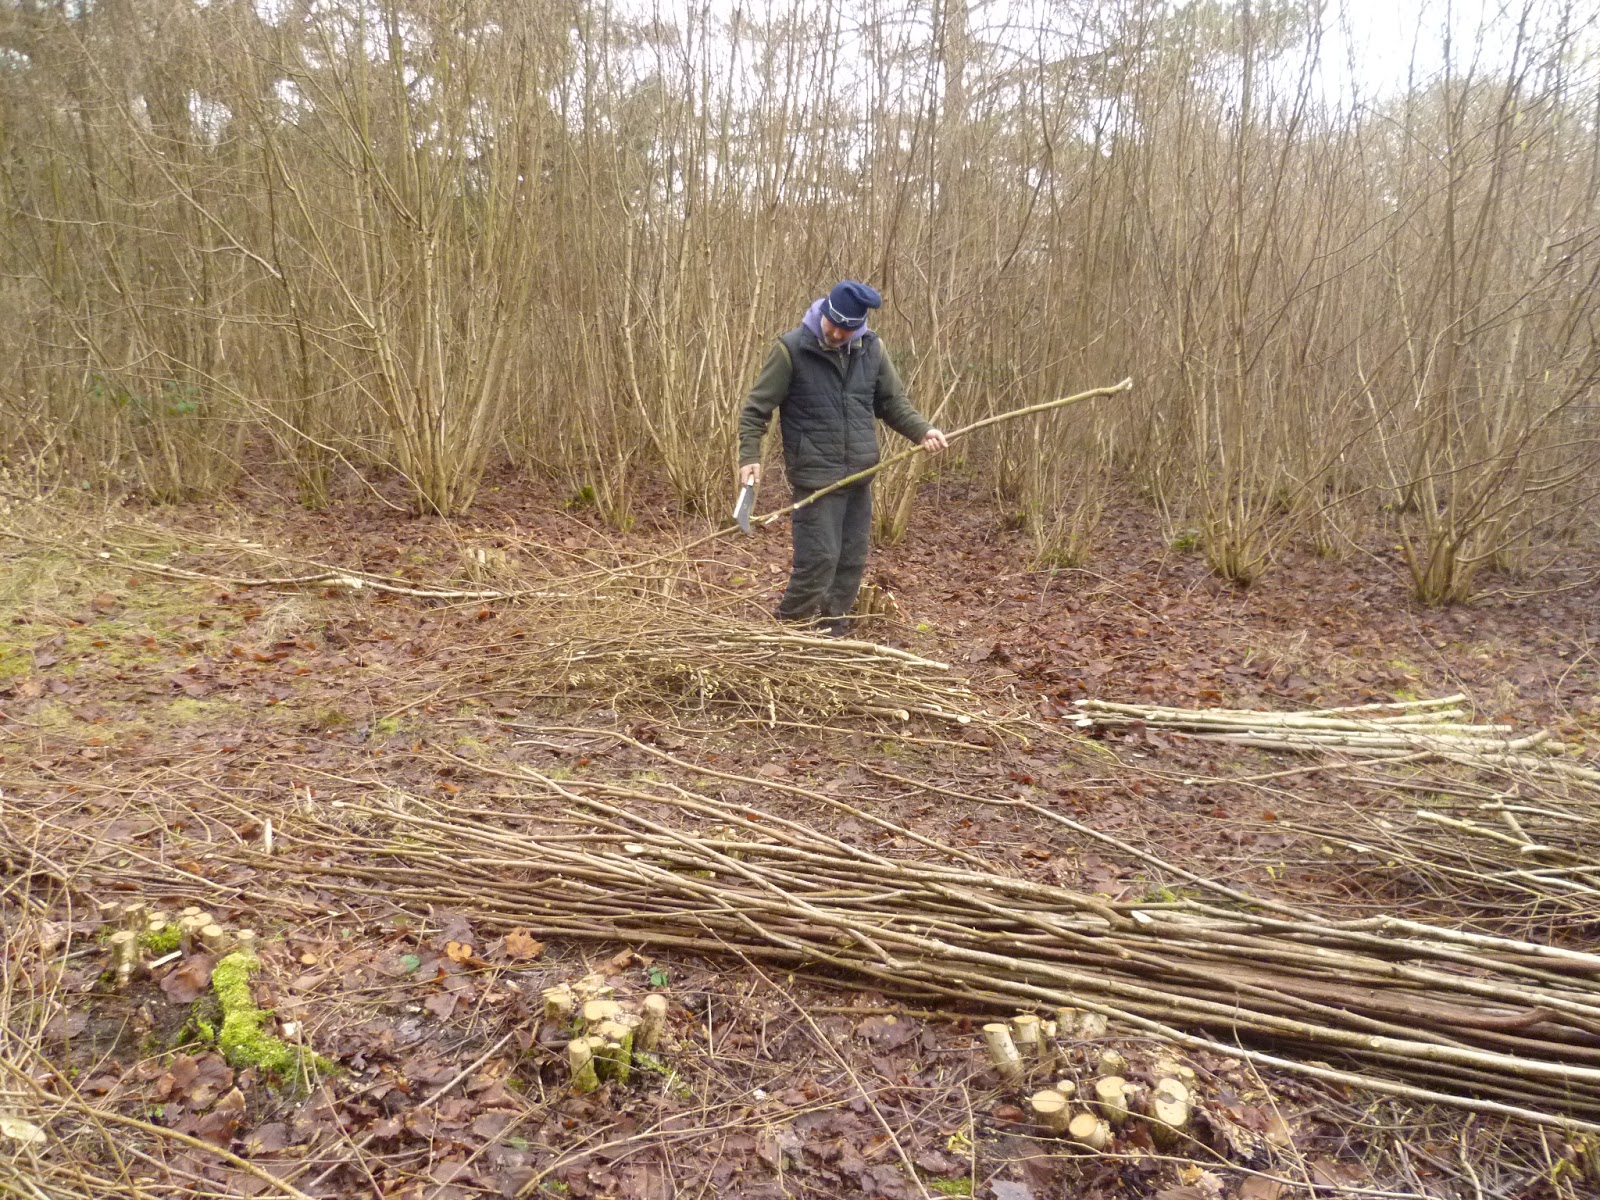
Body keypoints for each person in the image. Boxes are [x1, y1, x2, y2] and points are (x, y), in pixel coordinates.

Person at [737, 280, 948, 635]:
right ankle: (787, 630)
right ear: (823, 312)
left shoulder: (872, 349)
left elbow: (892, 403)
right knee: (818, 560)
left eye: (847, 329)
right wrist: (749, 454)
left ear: (859, 325)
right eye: (833, 324)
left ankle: (833, 631)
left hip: (859, 476)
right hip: (816, 476)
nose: (836, 333)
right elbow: (756, 410)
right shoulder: (791, 350)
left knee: (850, 561)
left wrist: (923, 430)